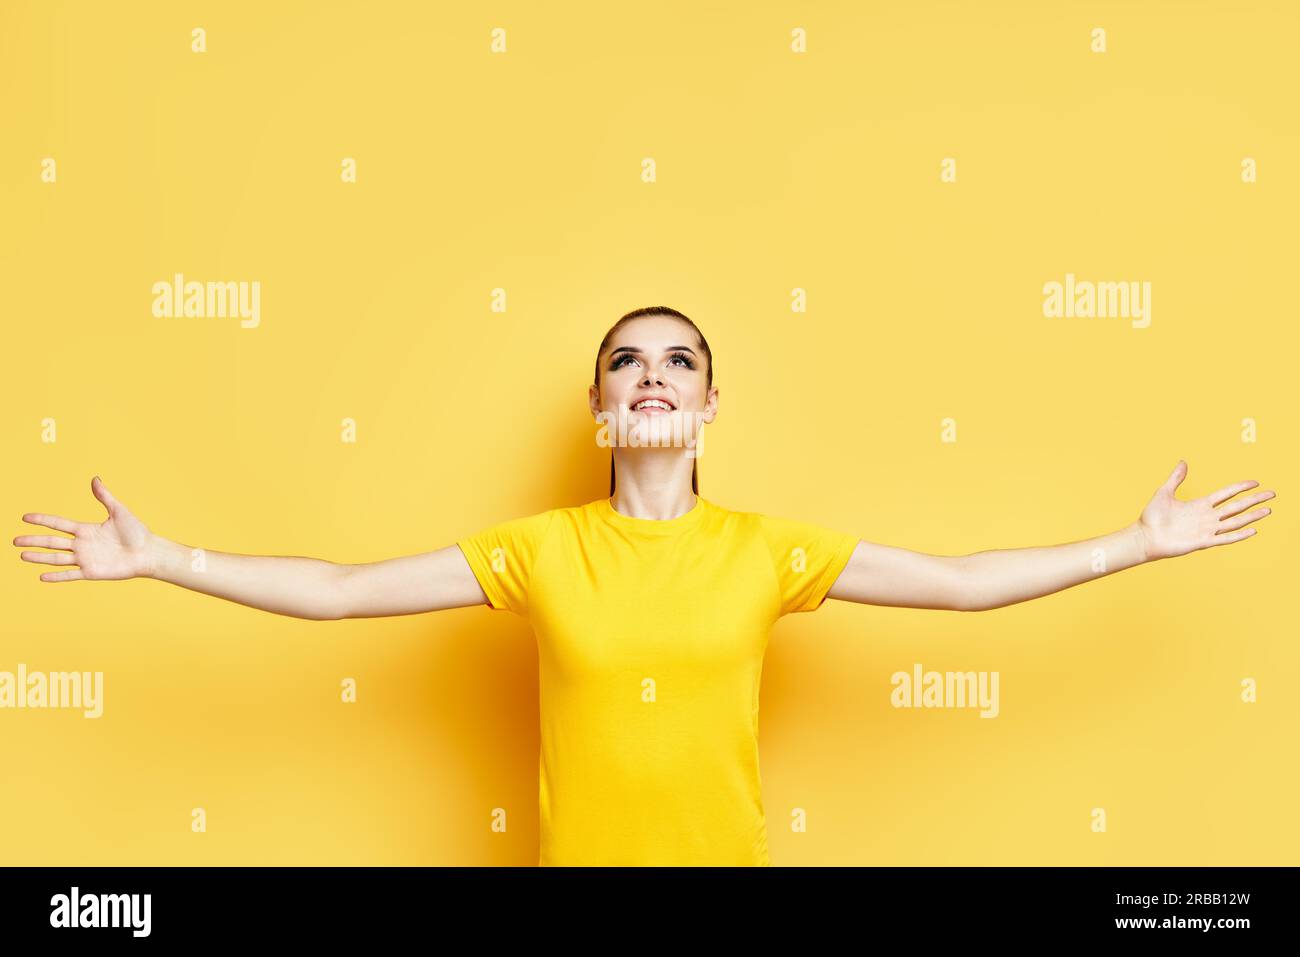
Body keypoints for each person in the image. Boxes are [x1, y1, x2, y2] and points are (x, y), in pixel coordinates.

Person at [13, 306, 1276, 867]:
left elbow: (957, 586)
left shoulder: (767, 549)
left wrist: (1133, 544)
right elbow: (341, 593)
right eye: (627, 363)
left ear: (711, 406)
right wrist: (163, 558)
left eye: (679, 362)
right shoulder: (540, 550)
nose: (653, 376)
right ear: (601, 409)